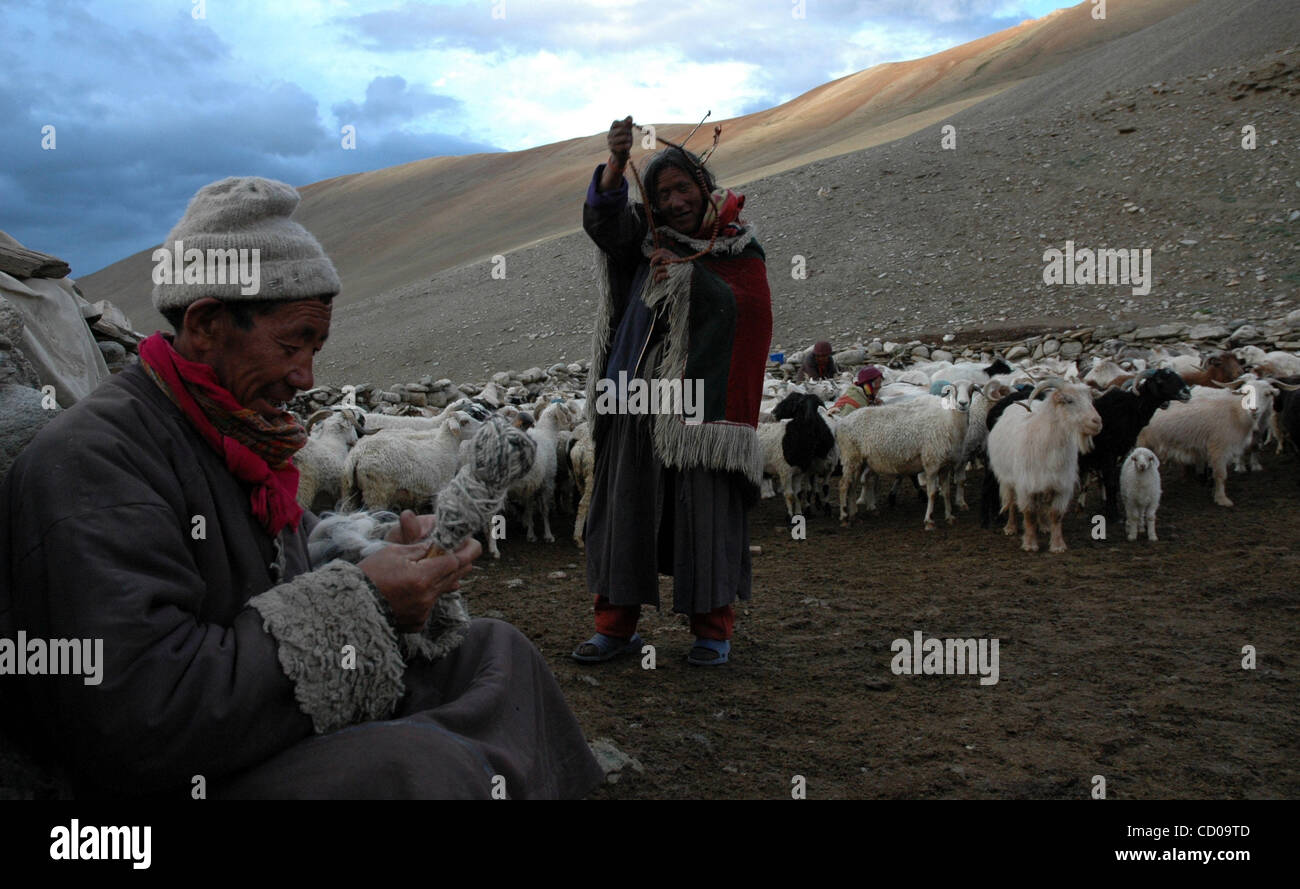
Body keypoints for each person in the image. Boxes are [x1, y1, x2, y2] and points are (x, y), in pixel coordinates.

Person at [0, 176, 603, 799]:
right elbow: (142, 712)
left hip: (265, 707)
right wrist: (364, 605)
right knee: (420, 768)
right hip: (183, 772)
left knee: (497, 653)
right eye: (293, 344)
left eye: (316, 347)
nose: (305, 376)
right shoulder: (96, 463)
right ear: (206, 323)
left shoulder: (237, 433)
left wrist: (378, 553)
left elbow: (291, 553)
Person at [573, 116, 772, 667]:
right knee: (623, 510)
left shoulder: (737, 246)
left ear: (705, 188)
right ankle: (615, 629)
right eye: (662, 194)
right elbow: (603, 223)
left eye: (684, 188)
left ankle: (712, 632)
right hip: (635, 400)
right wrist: (615, 164)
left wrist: (688, 277)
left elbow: (744, 309)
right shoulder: (644, 237)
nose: (675, 201)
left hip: (700, 413)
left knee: (702, 514)